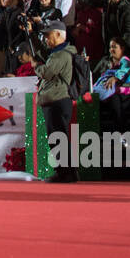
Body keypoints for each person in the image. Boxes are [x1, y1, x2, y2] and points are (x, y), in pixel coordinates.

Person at [35, 21, 77, 182]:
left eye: (48, 35)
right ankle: (67, 172)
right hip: (57, 100)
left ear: (59, 34)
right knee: (59, 137)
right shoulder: (59, 53)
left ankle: (65, 173)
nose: (46, 39)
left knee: (57, 138)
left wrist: (36, 67)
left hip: (57, 100)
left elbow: (47, 72)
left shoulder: (61, 54)